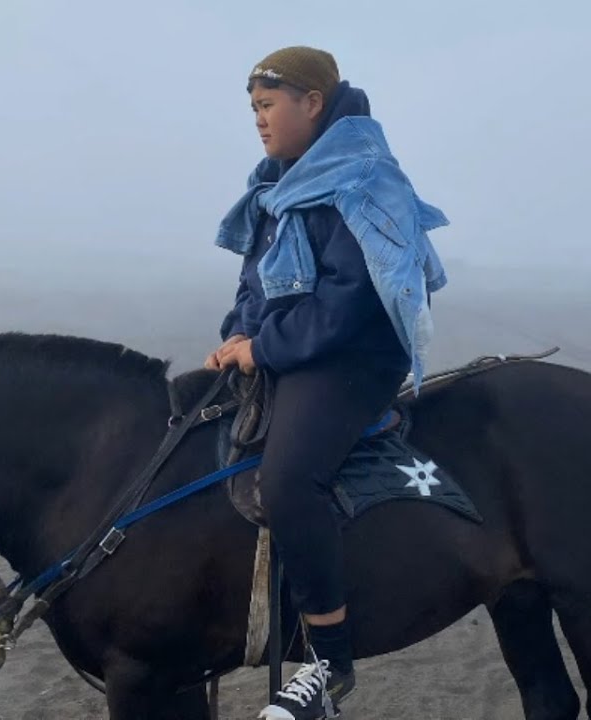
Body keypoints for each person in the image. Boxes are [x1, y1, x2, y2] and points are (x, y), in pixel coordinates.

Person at [205, 46, 449, 720]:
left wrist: (264, 348)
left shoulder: (365, 180)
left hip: (353, 356)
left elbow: (350, 302)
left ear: (312, 102)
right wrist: (236, 336)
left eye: (268, 105)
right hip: (293, 344)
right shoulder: (277, 181)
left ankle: (329, 662)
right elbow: (258, 282)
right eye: (253, 109)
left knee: (288, 480)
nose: (259, 120)